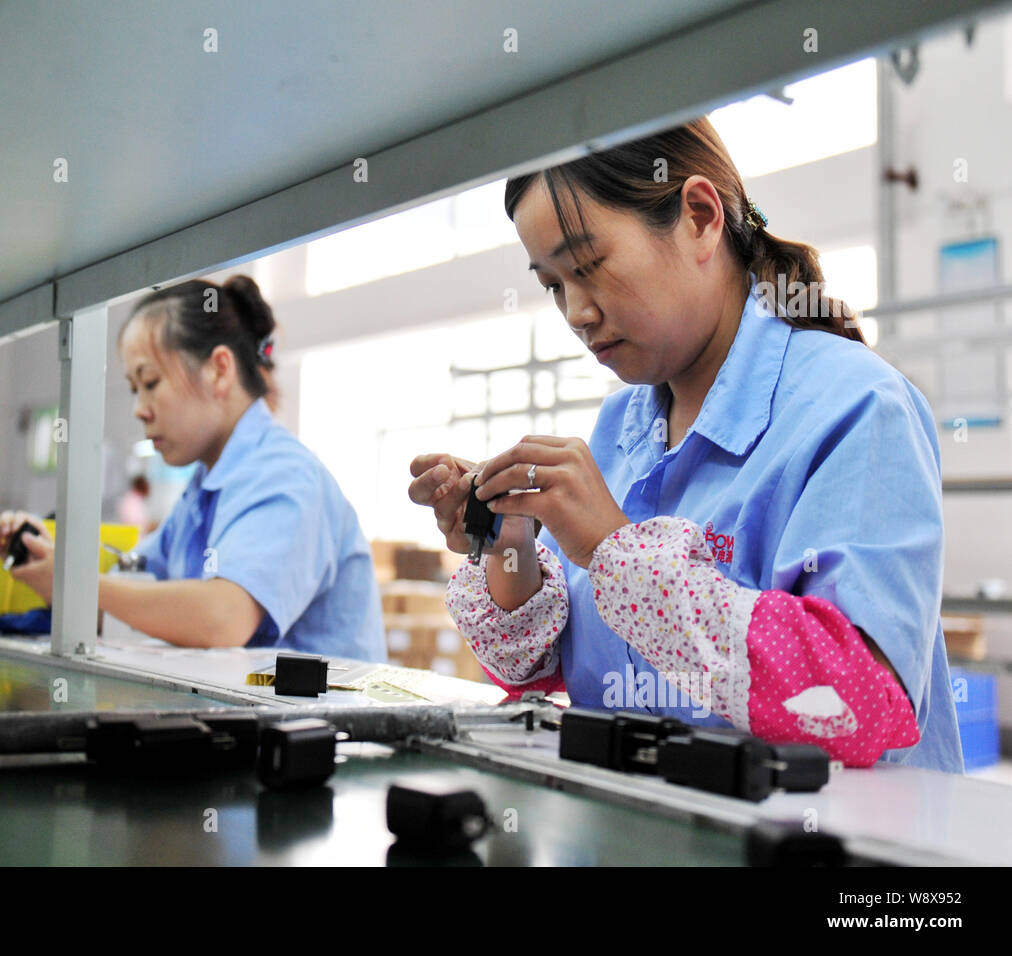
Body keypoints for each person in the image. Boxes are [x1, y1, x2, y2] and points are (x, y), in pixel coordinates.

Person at [409, 118, 962, 772]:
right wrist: (508, 547)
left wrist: (615, 549)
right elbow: (547, 667)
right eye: (553, 285)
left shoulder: (857, 408)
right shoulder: (621, 429)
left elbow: (857, 704)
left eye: (589, 266)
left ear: (700, 216)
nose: (577, 311)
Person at [0, 275, 385, 661]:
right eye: (133, 388)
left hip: (327, 725)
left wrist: (75, 583)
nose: (139, 409)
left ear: (219, 370)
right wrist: (47, 559)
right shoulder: (204, 489)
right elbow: (127, 599)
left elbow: (222, 618)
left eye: (150, 381)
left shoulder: (286, 475)